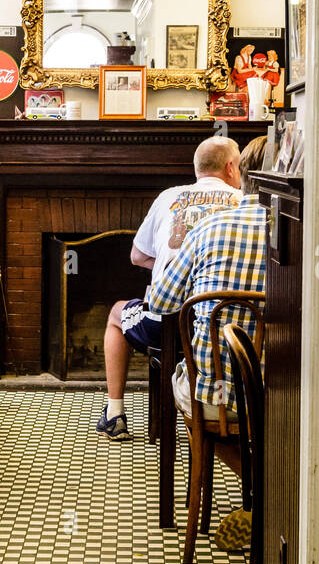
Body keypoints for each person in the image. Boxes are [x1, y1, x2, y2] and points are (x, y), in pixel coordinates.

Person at [97, 136, 244, 440]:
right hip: (229, 333)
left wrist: (179, 269)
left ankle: (115, 414)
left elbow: (137, 257)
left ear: (197, 168)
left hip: (170, 327)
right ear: (230, 167)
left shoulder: (170, 197)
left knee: (115, 314)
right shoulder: (244, 202)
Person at [146, 181, 266, 422]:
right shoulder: (300, 233)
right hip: (286, 396)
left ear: (242, 177)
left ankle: (244, 461)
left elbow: (158, 302)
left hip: (215, 399)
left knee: (185, 380)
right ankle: (261, 458)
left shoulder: (206, 228)